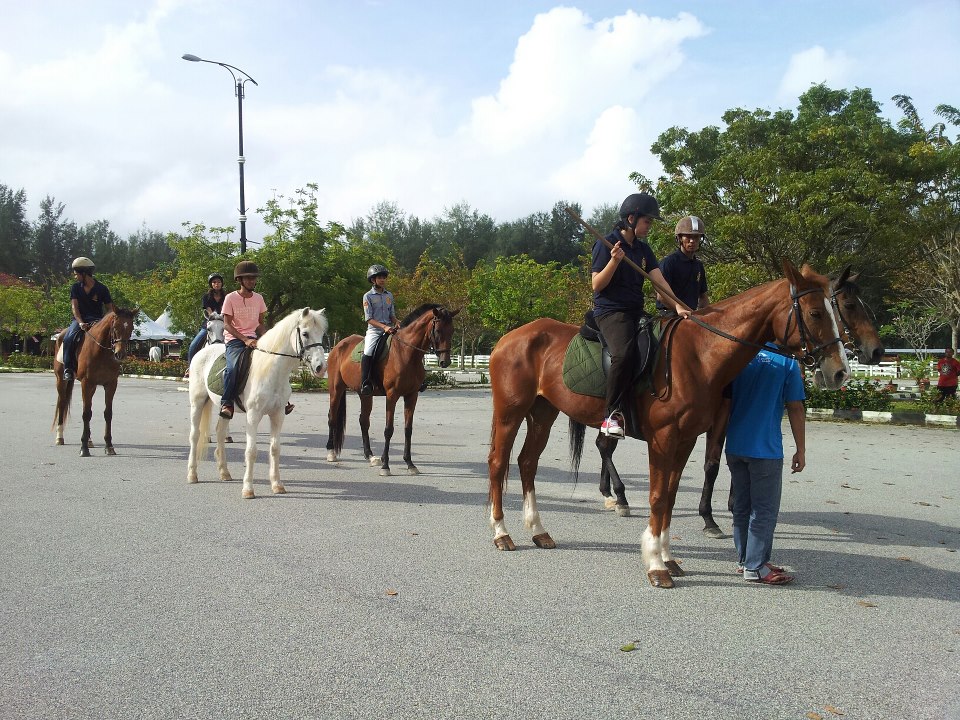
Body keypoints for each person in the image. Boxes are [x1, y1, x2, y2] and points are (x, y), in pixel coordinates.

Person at [591, 192, 688, 438]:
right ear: (631, 218)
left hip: (636, 311)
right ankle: (611, 414)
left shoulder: (644, 250)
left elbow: (659, 282)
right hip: (611, 312)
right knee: (623, 354)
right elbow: (596, 285)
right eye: (647, 221)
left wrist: (678, 306)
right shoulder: (606, 243)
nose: (649, 227)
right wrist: (613, 262)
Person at [710, 346, 806, 585]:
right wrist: (800, 449)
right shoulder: (787, 362)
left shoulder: (740, 358)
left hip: (736, 446)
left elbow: (724, 405)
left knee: (742, 507)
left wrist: (714, 443)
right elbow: (795, 407)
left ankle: (746, 560)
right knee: (764, 510)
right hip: (766, 449)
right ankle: (756, 567)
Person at [219, 261, 267, 420]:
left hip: (254, 339)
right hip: (235, 340)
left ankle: (282, 400)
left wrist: (268, 338)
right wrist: (245, 339)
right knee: (232, 368)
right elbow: (226, 325)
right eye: (248, 278)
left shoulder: (259, 298)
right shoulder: (230, 298)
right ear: (239, 280)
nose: (252, 281)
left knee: (273, 362)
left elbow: (260, 324)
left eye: (254, 278)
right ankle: (227, 403)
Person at [61, 257, 114, 383]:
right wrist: (80, 322)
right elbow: (75, 308)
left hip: (97, 321)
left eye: (76, 274)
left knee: (113, 339)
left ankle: (114, 366)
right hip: (79, 320)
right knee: (68, 338)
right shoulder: (75, 288)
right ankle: (68, 369)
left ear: (84, 274)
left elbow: (110, 309)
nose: (75, 277)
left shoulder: (102, 289)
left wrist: (102, 322)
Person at [655, 215, 710, 314]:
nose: (692, 241)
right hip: (669, 315)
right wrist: (679, 309)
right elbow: (661, 296)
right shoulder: (668, 262)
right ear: (679, 238)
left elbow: (703, 297)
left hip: (692, 316)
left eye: (696, 237)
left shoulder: (699, 266)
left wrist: (704, 315)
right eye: (688, 237)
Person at [360, 264, 398, 396]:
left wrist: (397, 322)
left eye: (384, 277)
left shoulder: (389, 296)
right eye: (379, 277)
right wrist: (384, 327)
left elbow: (391, 315)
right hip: (375, 331)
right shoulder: (368, 296)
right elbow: (368, 319)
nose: (382, 280)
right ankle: (365, 382)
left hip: (390, 328)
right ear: (373, 280)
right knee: (368, 351)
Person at [185, 273, 227, 371]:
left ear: (222, 284)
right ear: (211, 284)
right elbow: (208, 310)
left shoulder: (227, 297)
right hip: (210, 323)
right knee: (193, 345)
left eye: (219, 282)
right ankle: (190, 368)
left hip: (224, 324)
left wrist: (222, 317)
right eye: (214, 282)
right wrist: (214, 316)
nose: (217, 284)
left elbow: (227, 310)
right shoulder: (206, 297)